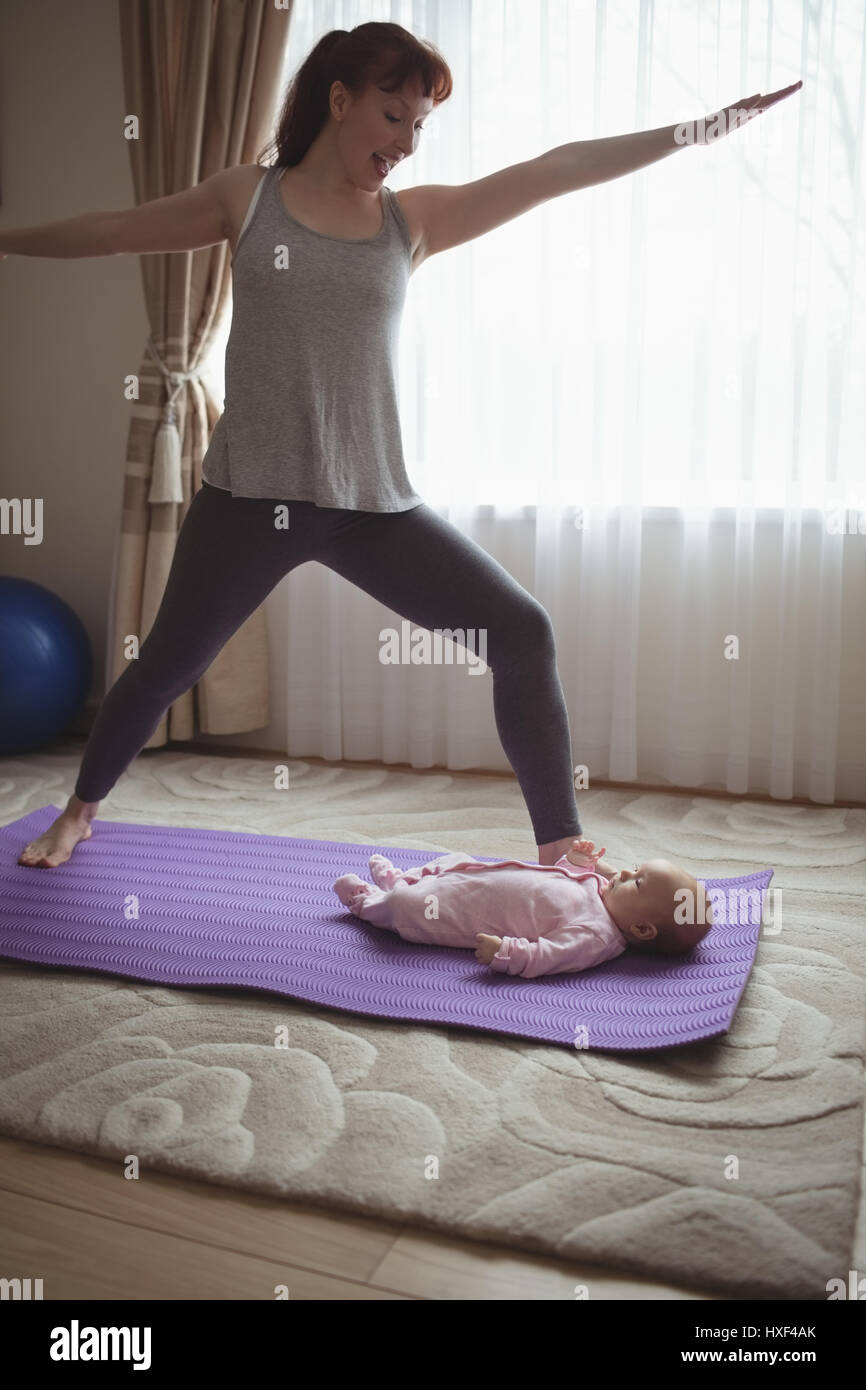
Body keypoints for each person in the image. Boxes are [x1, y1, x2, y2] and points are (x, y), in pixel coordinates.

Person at [4, 20, 801, 871]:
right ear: (340, 100)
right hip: (250, 501)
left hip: (370, 507)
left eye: (420, 125)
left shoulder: (410, 222)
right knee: (163, 667)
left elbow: (552, 171)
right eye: (394, 117)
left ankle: (562, 845)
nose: (408, 143)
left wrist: (694, 131)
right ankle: (80, 811)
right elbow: (112, 230)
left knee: (522, 631)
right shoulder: (248, 197)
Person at [334, 837, 715, 979]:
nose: (624, 871)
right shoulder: (602, 889)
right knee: (453, 861)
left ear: (644, 929)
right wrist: (576, 863)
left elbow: (548, 956)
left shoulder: (596, 935)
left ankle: (368, 901)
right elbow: (558, 880)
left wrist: (507, 953)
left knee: (409, 906)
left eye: (637, 880)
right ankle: (400, 877)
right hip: (482, 879)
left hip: (462, 914)